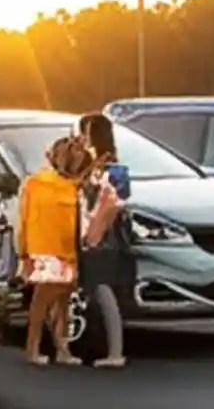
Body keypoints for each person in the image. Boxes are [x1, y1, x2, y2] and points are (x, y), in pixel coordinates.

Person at [17, 135, 89, 366]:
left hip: (67, 252)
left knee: (62, 303)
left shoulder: (73, 186)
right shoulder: (37, 183)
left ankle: (61, 349)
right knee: (43, 302)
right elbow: (26, 219)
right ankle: (33, 349)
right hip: (47, 252)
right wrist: (25, 253)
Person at [77, 112, 131, 368]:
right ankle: (109, 348)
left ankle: (115, 352)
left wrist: (94, 235)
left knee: (102, 289)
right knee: (98, 289)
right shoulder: (101, 167)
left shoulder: (107, 169)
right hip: (98, 232)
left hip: (102, 235)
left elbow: (112, 206)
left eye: (85, 132)